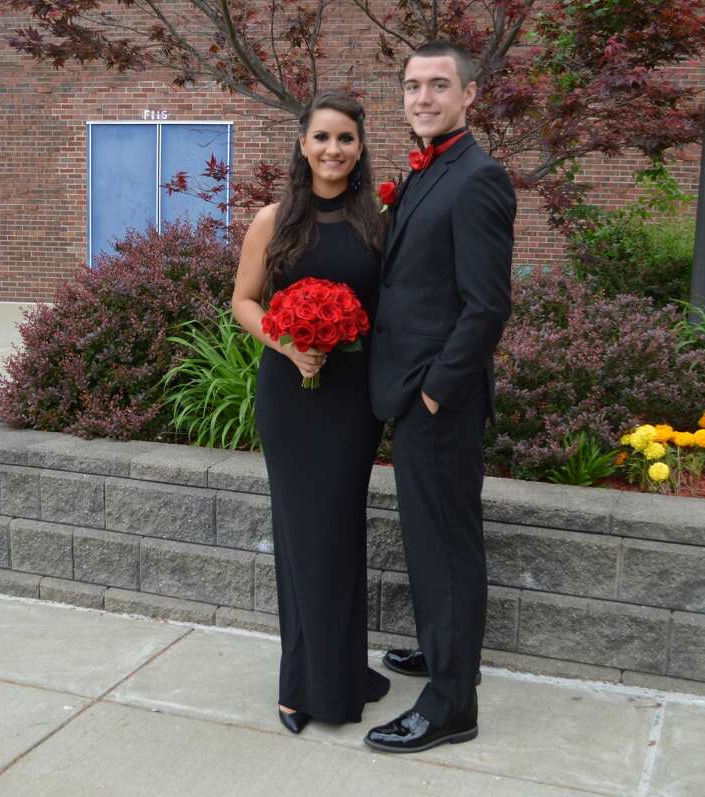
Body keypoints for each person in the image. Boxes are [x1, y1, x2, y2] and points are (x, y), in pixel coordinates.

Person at [365, 41, 516, 753]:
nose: (421, 97)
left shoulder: (479, 178)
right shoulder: (427, 170)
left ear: (469, 96)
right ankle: (442, 646)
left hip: (440, 401)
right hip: (411, 392)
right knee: (427, 541)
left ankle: (453, 703)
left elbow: (486, 306)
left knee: (448, 546)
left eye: (437, 85)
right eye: (412, 86)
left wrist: (431, 393)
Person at [231, 92, 390, 734]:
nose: (333, 150)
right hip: (290, 398)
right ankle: (300, 684)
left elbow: (393, 308)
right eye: (322, 137)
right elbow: (244, 301)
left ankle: (345, 672)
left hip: (353, 401)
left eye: (346, 139)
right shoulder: (273, 220)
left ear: (359, 148)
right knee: (302, 536)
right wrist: (289, 344)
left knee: (342, 532)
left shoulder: (379, 221)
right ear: (302, 144)